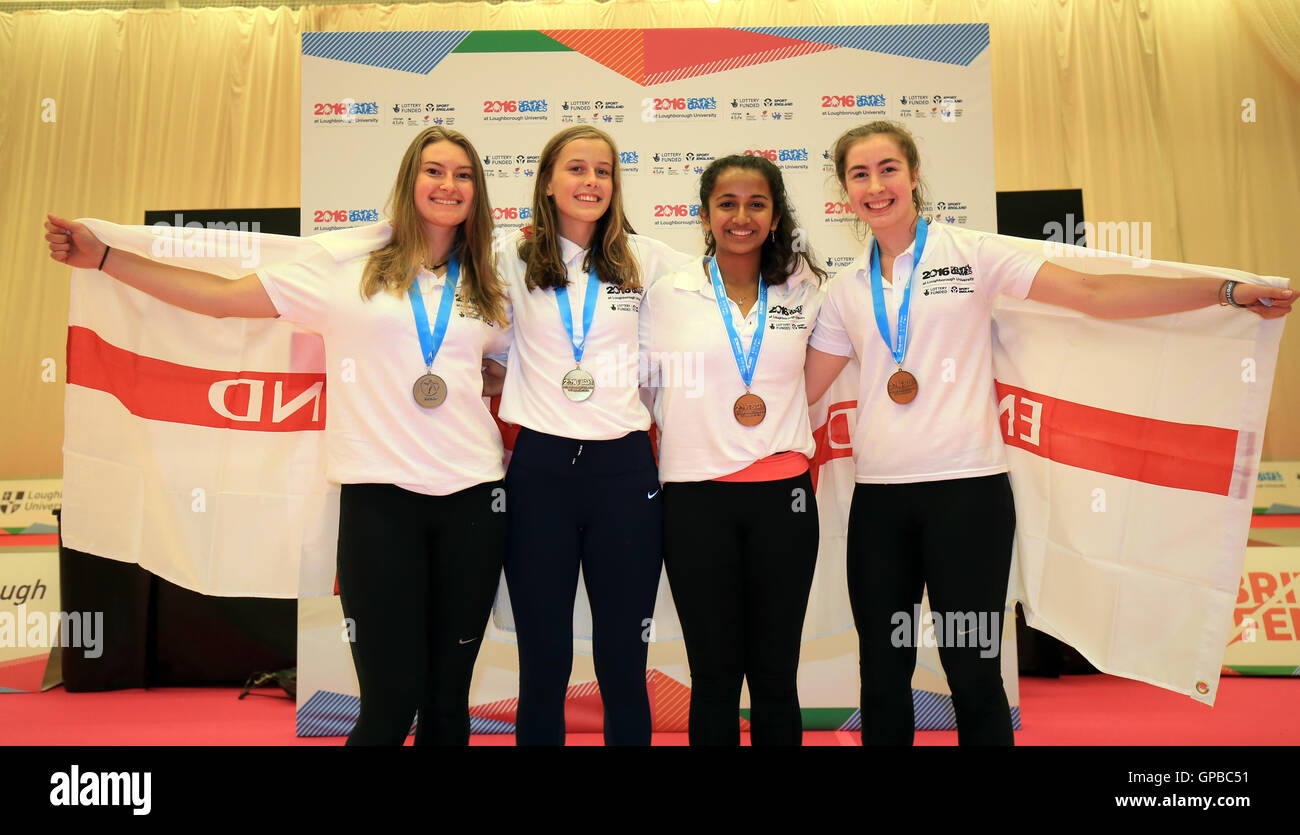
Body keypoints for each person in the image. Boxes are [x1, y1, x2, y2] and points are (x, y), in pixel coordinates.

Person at [803, 120, 1294, 746]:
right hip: (879, 500)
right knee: (882, 670)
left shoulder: (972, 253)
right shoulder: (846, 290)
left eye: (888, 169)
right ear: (844, 190)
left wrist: (1221, 292)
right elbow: (803, 391)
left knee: (973, 670)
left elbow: (1091, 292)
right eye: (860, 175)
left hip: (968, 495)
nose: (876, 186)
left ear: (915, 174)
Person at [45, 126, 511, 746]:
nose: (448, 185)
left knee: (448, 702)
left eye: (463, 175)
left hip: (475, 503)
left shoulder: (487, 284)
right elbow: (217, 300)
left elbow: (518, 368)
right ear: (409, 182)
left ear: (477, 193)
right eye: (434, 170)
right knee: (389, 702)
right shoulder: (343, 274)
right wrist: (105, 258)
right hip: (379, 507)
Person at [490, 125, 691, 746]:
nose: (591, 182)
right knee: (543, 663)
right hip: (540, 471)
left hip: (625, 474)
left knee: (623, 664)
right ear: (547, 182)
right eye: (576, 169)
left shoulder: (649, 259)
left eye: (603, 171)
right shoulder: (507, 259)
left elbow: (733, 281)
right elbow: (481, 348)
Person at [641, 154, 827, 745]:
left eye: (756, 204)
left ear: (775, 217)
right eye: (727, 204)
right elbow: (641, 390)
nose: (741, 217)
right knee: (715, 676)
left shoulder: (807, 289)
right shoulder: (667, 294)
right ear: (703, 216)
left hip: (785, 502)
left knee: (776, 674)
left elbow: (819, 377)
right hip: (695, 501)